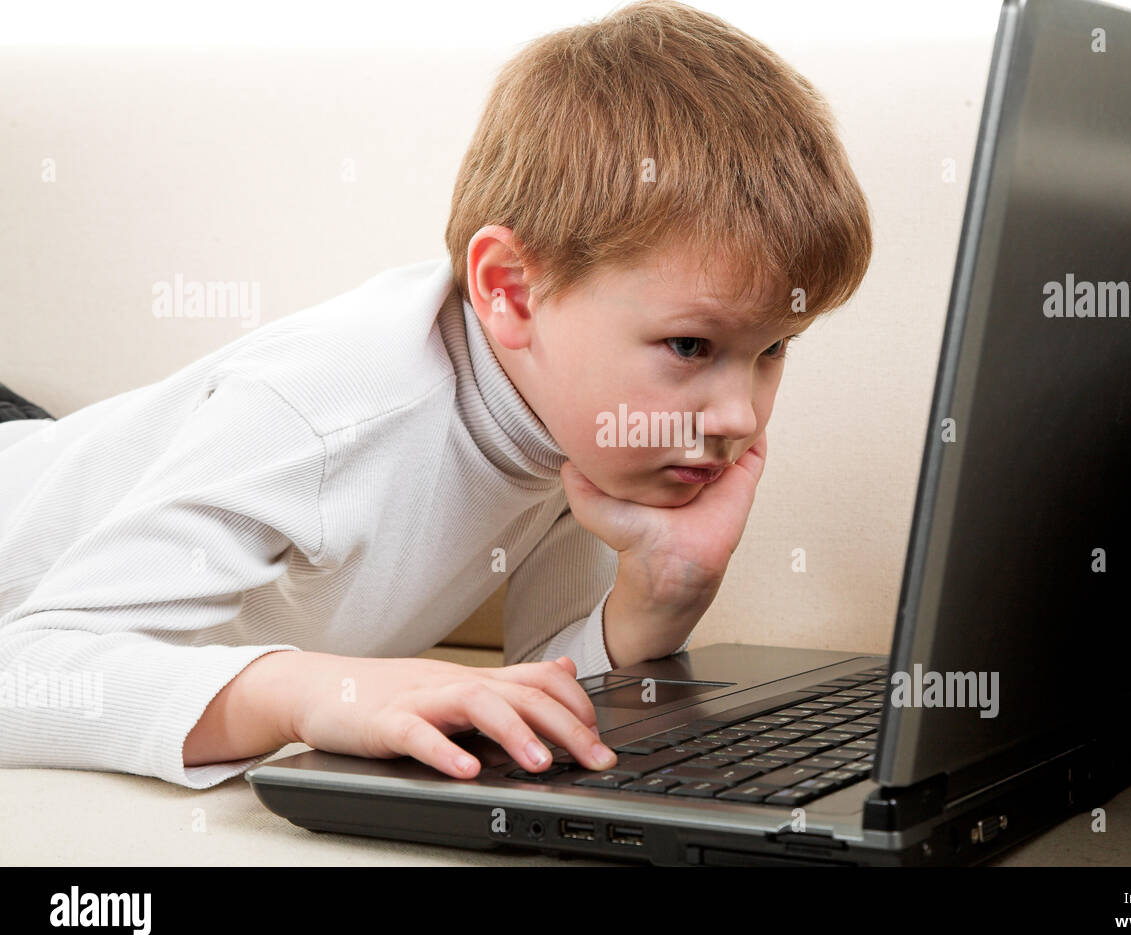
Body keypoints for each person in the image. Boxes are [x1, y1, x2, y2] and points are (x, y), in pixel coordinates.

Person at [0, 0, 872, 790]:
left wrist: (660, 594)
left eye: (773, 349)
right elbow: (26, 671)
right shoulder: (323, 408)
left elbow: (549, 697)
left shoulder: (580, 433)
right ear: (510, 290)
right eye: (691, 345)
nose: (740, 417)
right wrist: (309, 690)